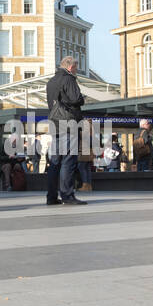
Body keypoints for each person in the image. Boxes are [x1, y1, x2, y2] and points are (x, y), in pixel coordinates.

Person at [45, 55, 86, 206]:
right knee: (68, 160)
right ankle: (67, 195)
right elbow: (76, 99)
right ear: (70, 67)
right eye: (75, 67)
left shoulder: (51, 81)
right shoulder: (69, 79)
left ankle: (51, 196)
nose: (76, 70)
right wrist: (82, 98)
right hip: (69, 124)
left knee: (55, 162)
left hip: (55, 124)